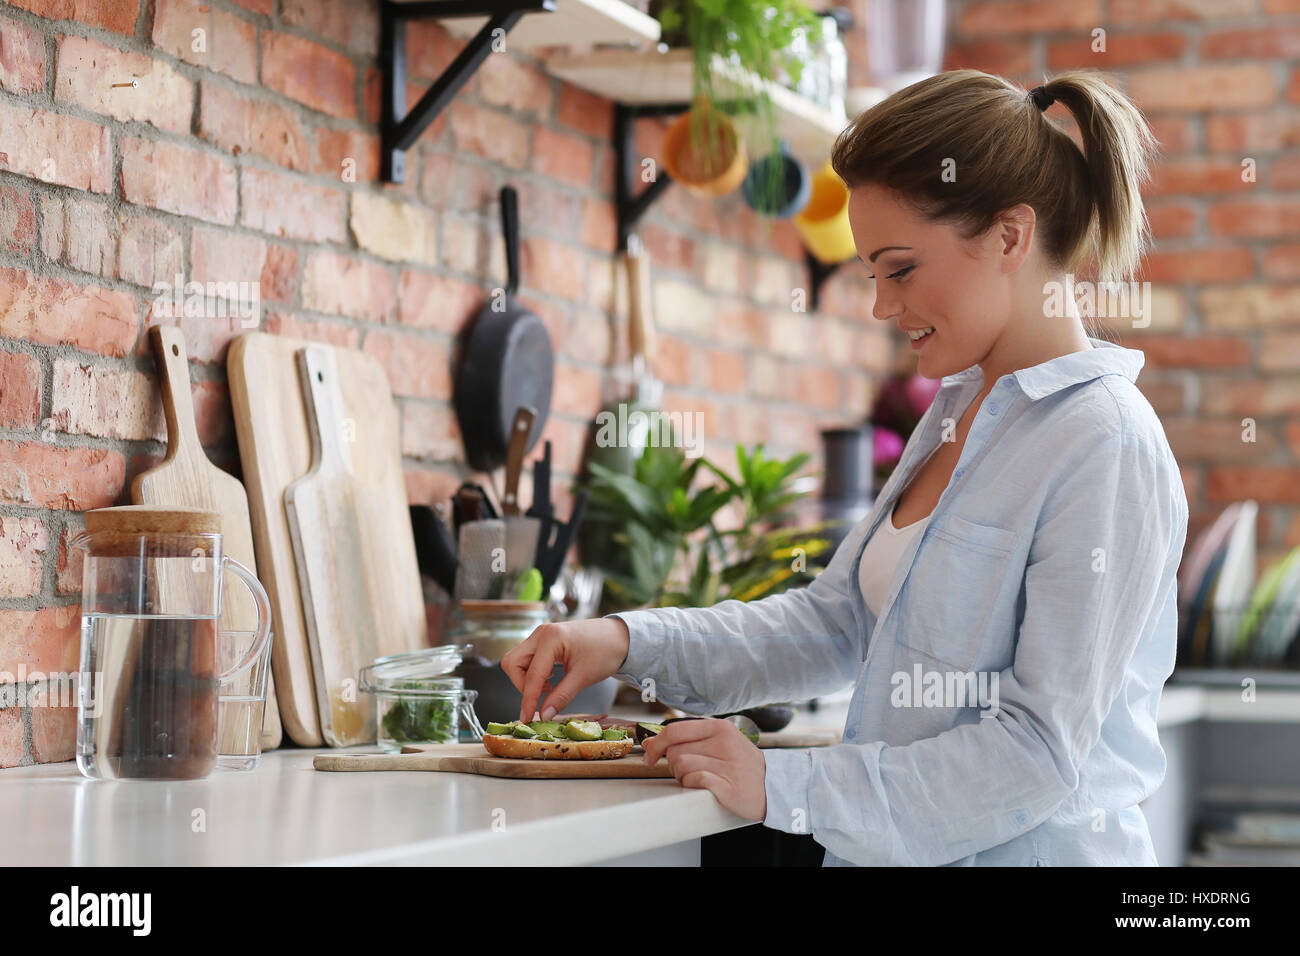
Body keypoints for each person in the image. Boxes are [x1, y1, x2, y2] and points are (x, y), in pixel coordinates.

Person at [502, 69, 1189, 866]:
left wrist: (783, 788)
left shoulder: (1105, 444)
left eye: (900, 269)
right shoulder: (958, 411)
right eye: (872, 274)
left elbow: (1034, 756)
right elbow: (835, 624)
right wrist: (625, 641)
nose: (881, 305)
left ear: (1010, 236)